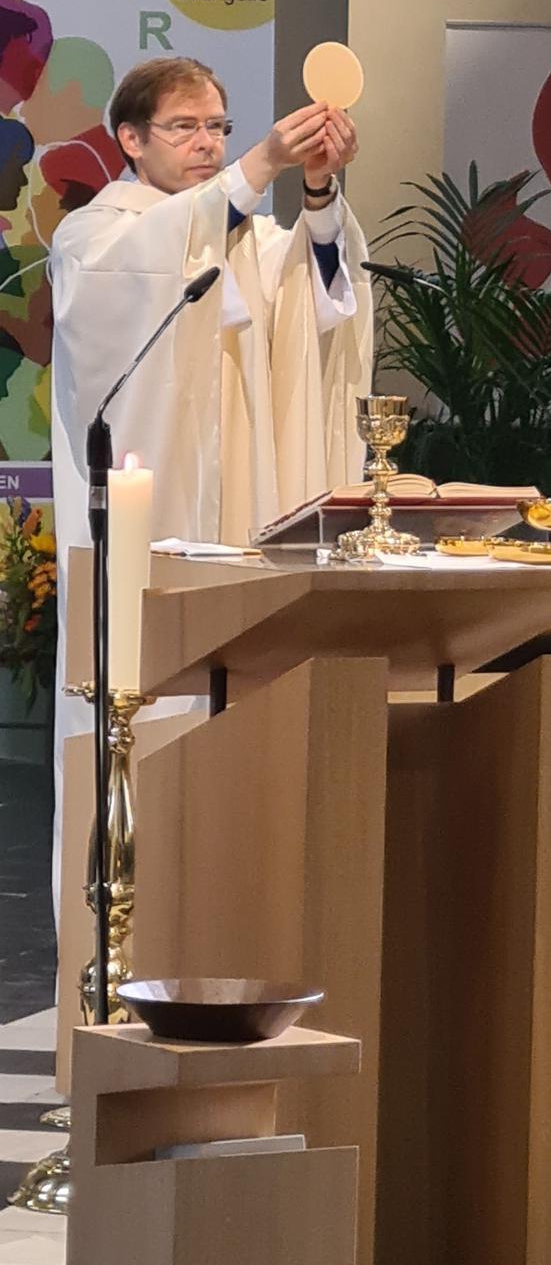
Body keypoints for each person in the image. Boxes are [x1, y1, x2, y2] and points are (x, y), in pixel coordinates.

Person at [48, 57, 373, 893]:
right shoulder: (98, 234)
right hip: (152, 538)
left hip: (248, 522)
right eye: (185, 127)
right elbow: (143, 279)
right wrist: (259, 164)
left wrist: (318, 195)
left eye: (219, 127)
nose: (207, 143)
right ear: (129, 138)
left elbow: (324, 303)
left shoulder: (250, 237)